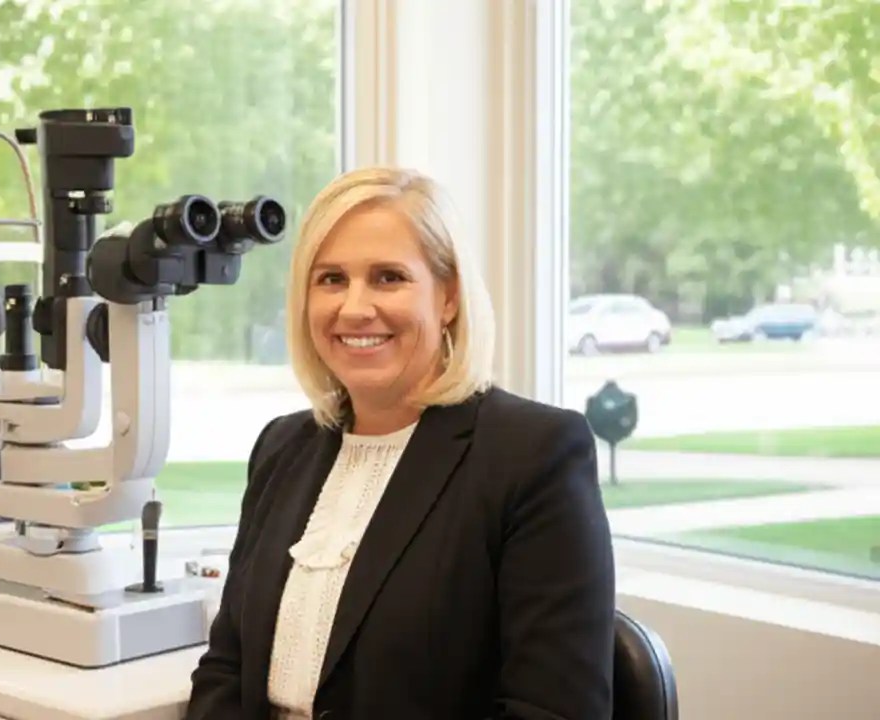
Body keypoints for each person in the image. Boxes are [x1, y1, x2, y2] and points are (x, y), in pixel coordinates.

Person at [184, 167, 615, 719]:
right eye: (331, 279)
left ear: (449, 297)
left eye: (388, 277)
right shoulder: (281, 448)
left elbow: (553, 711)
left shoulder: (534, 455)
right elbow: (227, 665)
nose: (354, 308)